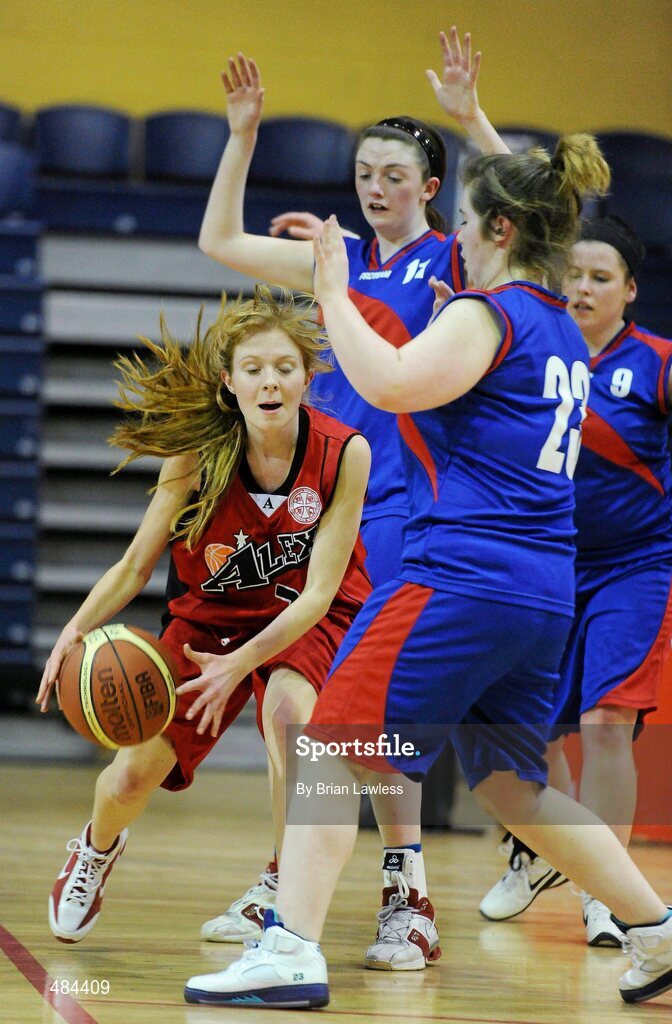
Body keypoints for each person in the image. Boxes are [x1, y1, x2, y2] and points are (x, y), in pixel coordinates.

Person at [184, 139, 672, 1010]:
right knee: (507, 782)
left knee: (335, 736)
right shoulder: (557, 323)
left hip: (463, 576)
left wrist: (333, 294)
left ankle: (289, 949)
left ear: (500, 226)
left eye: (463, 222)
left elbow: (393, 383)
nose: (455, 236)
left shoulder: (492, 313)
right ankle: (656, 930)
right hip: (542, 591)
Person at [195, 28, 505, 969]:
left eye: (395, 173)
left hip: (410, 513)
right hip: (329, 512)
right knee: (302, 711)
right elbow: (216, 240)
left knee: (374, 714)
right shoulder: (337, 262)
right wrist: (242, 137)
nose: (376, 187)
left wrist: (471, 119)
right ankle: (290, 877)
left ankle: (405, 894)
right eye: (365, 171)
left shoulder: (452, 261)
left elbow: (532, 217)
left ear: (432, 187)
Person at [36, 285, 371, 944]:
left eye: (283, 367)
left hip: (306, 616)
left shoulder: (344, 454)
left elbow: (319, 596)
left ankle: (282, 890)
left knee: (288, 717)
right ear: (230, 380)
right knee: (132, 774)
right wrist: (74, 629)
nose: (270, 381)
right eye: (254, 369)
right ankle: (96, 848)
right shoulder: (195, 452)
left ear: (307, 375)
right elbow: (135, 566)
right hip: (208, 619)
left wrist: (242, 665)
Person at [479, 215, 672, 946]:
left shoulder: (655, 361)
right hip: (545, 561)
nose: (584, 287)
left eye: (601, 277)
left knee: (606, 723)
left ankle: (610, 893)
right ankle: (547, 854)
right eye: (574, 274)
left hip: (636, 566)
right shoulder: (529, 350)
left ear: (629, 290)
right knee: (531, 734)